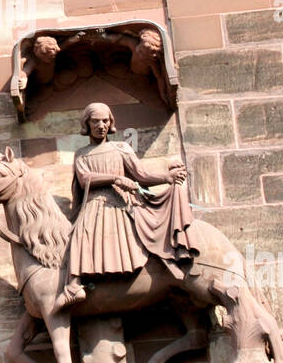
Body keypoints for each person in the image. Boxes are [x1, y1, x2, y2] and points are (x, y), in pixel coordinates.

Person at [53, 101, 198, 310]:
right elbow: (85, 180)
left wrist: (166, 177)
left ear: (110, 123)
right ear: (87, 124)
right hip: (95, 205)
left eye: (105, 120)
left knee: (143, 232)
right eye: (96, 121)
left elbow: (142, 175)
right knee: (79, 235)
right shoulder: (81, 154)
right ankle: (74, 286)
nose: (101, 125)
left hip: (120, 204)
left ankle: (162, 267)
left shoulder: (121, 148)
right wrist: (115, 178)